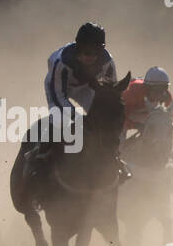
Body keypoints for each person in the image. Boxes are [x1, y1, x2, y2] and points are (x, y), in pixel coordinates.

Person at [30, 22, 129, 182]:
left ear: (100, 50)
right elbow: (58, 96)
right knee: (63, 119)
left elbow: (111, 93)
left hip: (87, 87)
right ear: (77, 48)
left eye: (94, 52)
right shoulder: (61, 62)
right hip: (59, 87)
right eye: (84, 51)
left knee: (107, 121)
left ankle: (114, 158)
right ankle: (43, 155)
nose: (89, 57)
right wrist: (75, 118)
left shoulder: (107, 62)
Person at [122, 66, 173, 196]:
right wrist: (135, 125)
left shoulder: (167, 97)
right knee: (118, 136)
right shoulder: (131, 94)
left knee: (165, 135)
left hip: (148, 117)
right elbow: (119, 117)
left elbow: (171, 121)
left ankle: (170, 179)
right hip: (127, 114)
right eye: (156, 90)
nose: (160, 94)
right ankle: (114, 165)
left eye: (163, 90)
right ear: (147, 88)